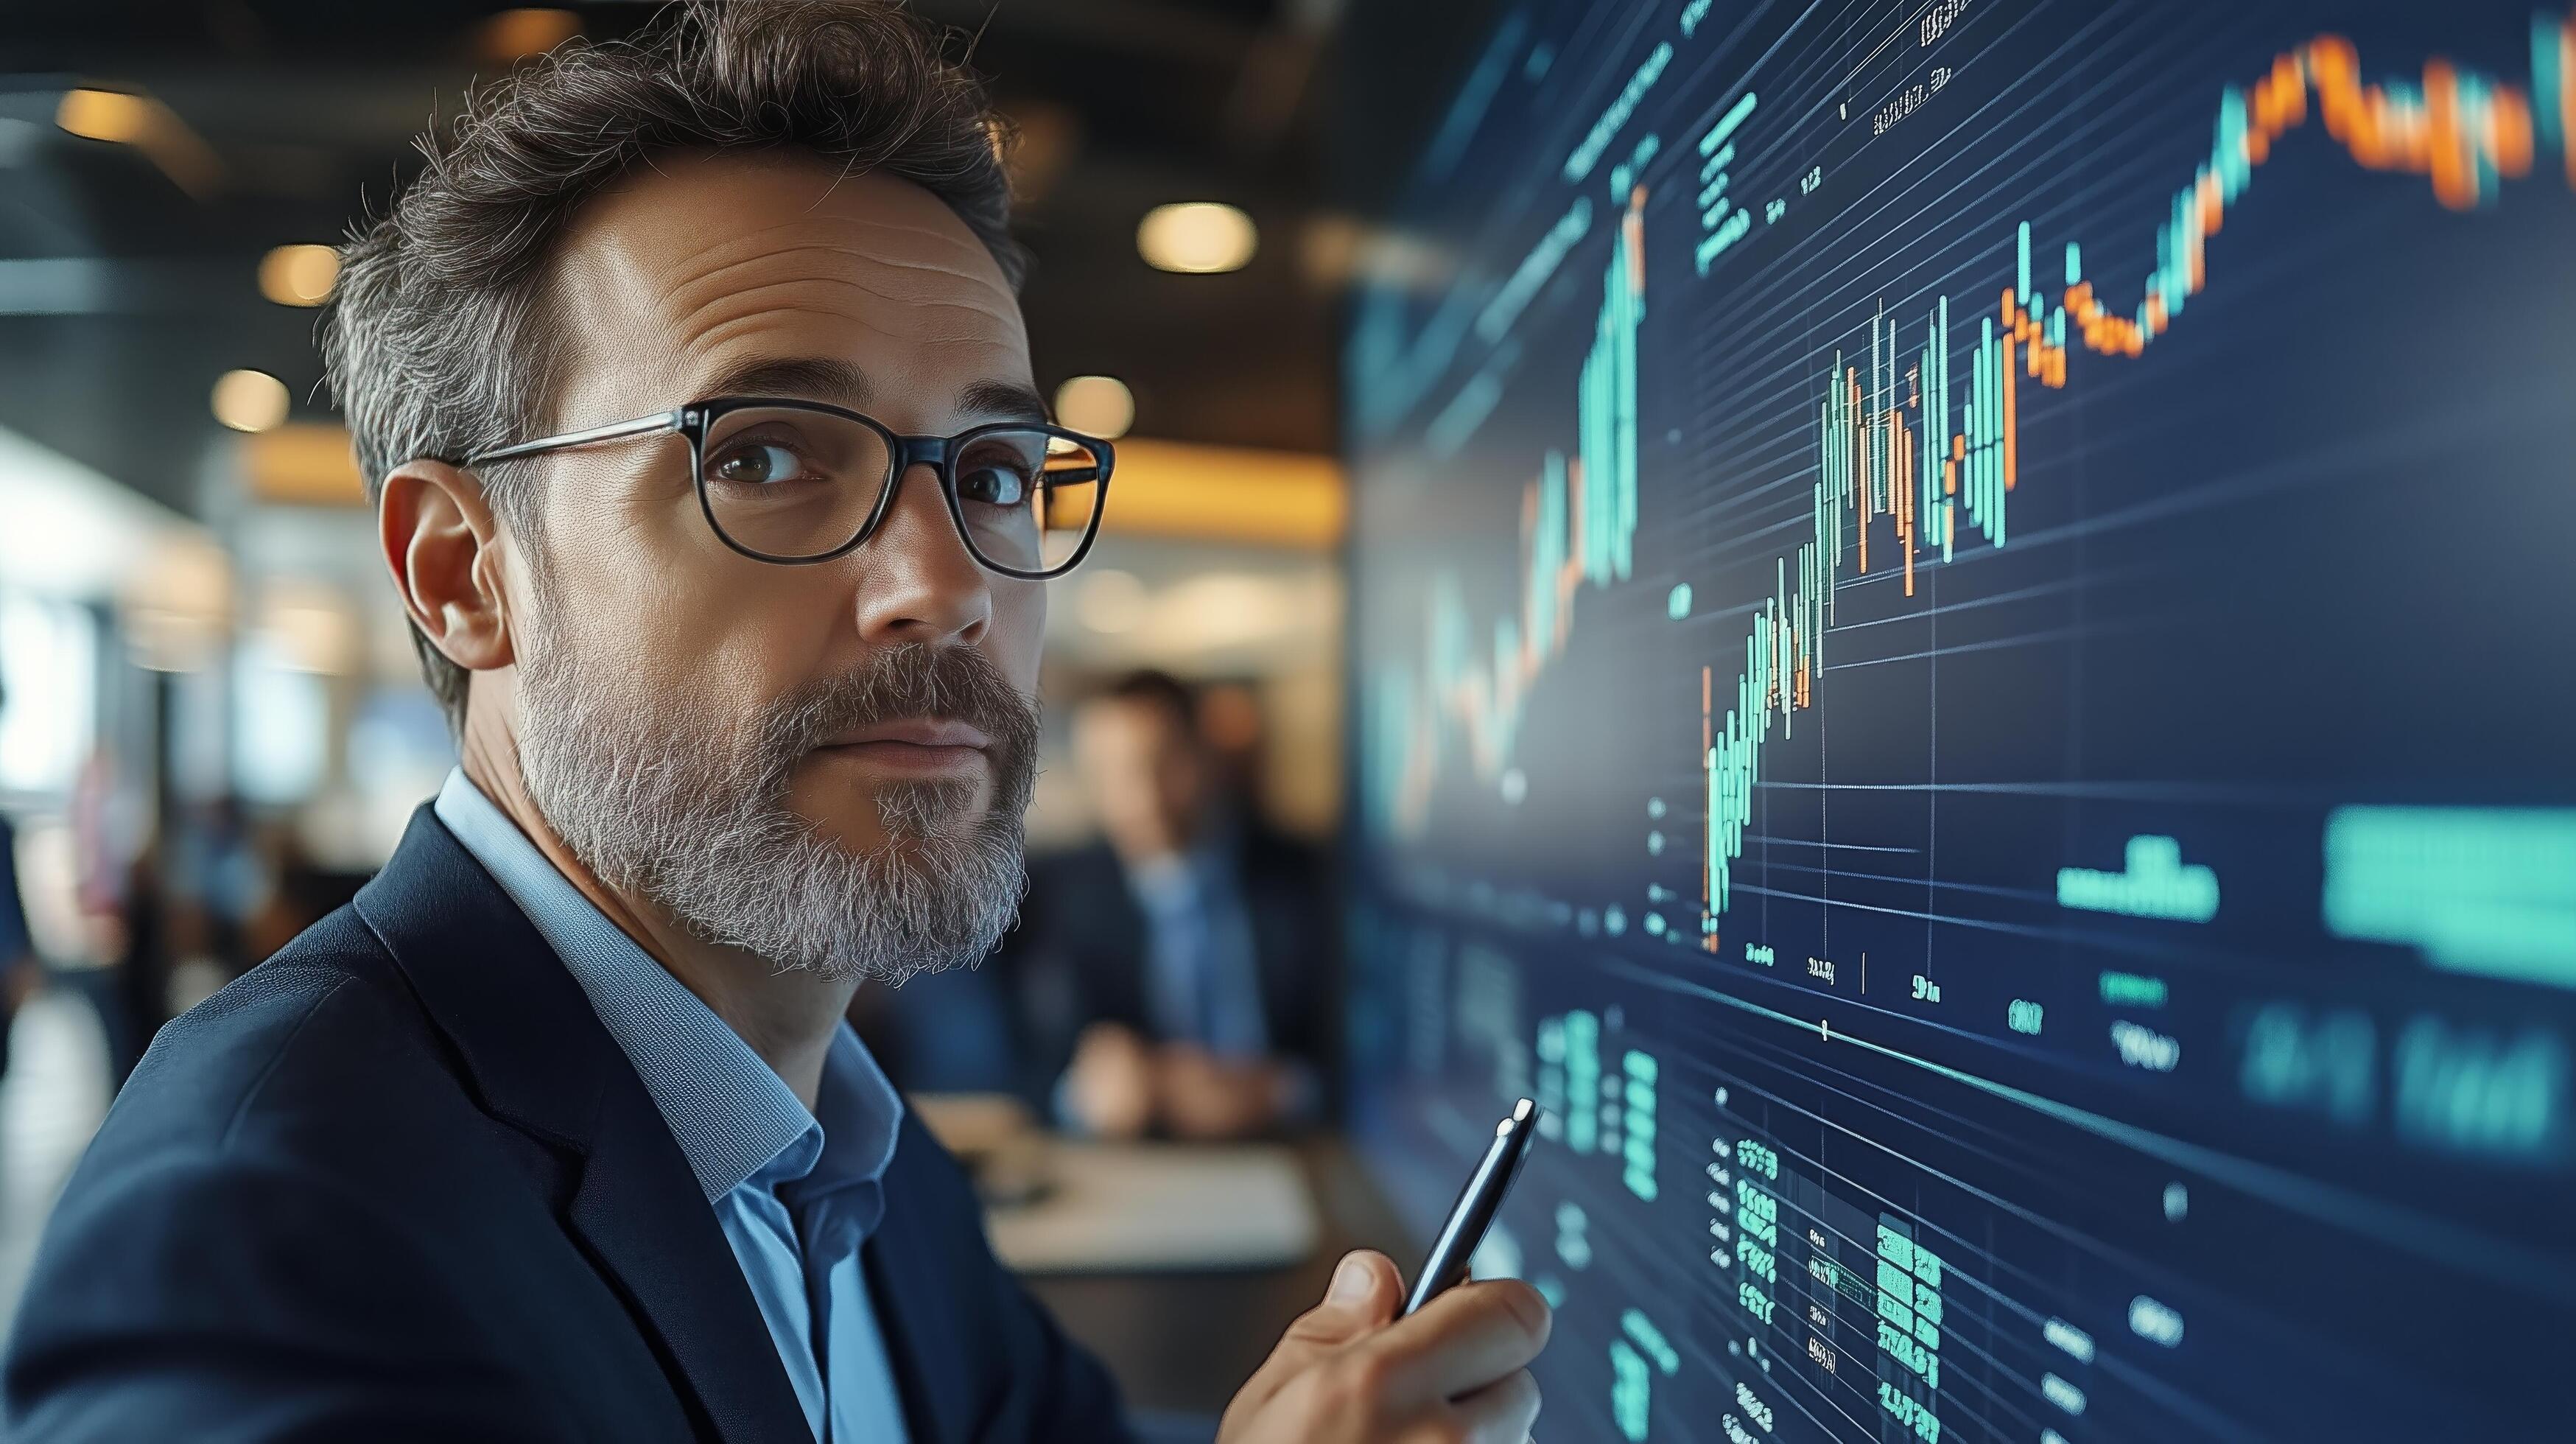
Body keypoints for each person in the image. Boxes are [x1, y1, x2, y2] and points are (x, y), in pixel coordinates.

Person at [1, 5, 1549, 1443]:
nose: (942, 585)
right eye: (762, 457)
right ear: (463, 572)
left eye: (996, 470)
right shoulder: (269, 1220)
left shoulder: (858, 1153)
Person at [1036, 670, 1335, 1141]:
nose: (1143, 797)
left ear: (1204, 755)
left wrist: (1281, 1091)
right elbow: (1028, 1063)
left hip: (1298, 1147)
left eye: (1163, 763)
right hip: (1137, 1160)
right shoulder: (1059, 891)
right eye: (1113, 775)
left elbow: (1374, 1055)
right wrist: (1084, 1093)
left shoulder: (1312, 878)